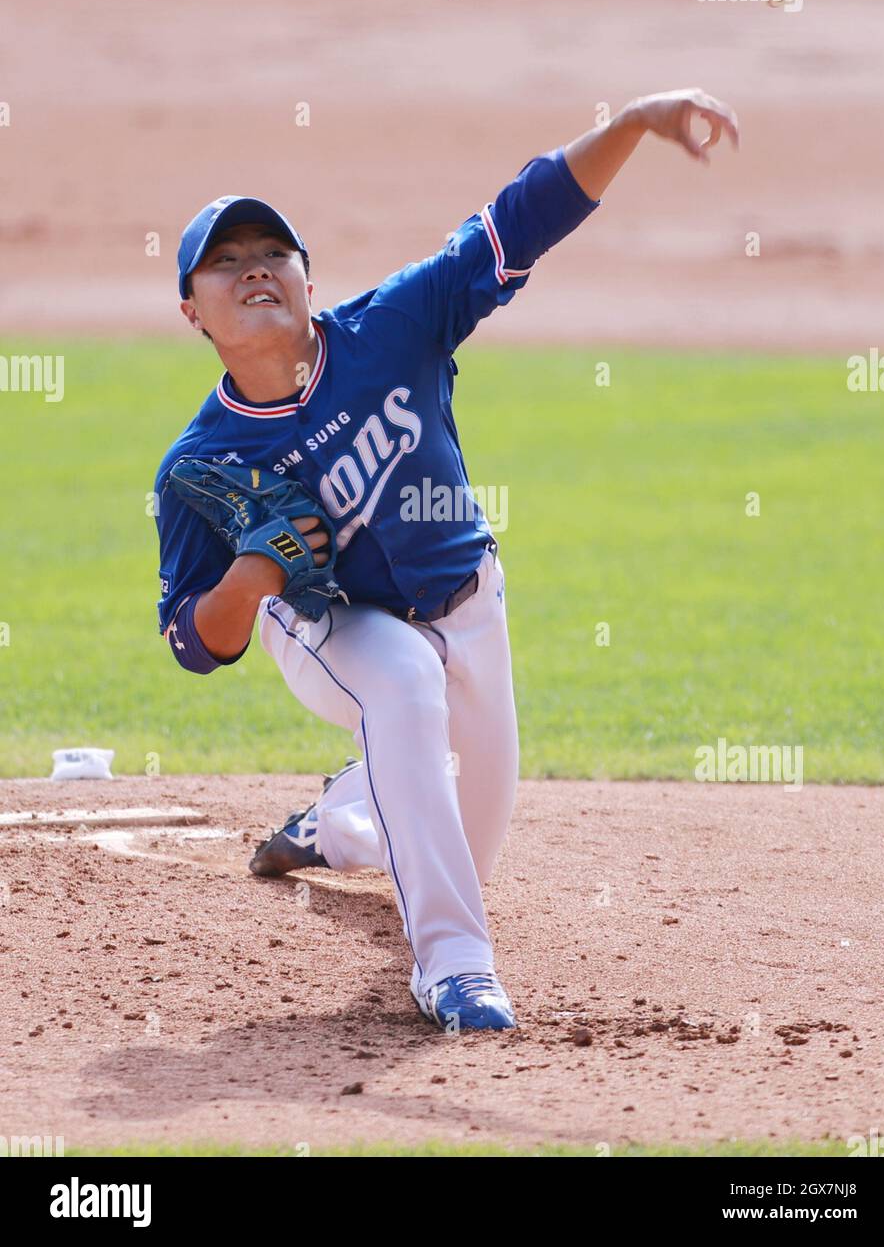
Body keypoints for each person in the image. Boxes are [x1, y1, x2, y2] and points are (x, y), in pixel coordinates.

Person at [154, 88, 738, 1033]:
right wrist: (254, 574)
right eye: (224, 264)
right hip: (331, 625)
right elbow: (191, 639)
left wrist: (631, 122)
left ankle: (338, 824)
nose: (253, 270)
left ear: (308, 275)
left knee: (466, 837)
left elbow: (519, 219)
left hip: (468, 603)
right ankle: (455, 970)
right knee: (404, 690)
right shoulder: (200, 464)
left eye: (271, 254)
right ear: (192, 311)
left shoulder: (395, 323)